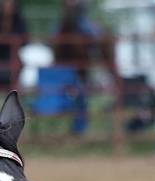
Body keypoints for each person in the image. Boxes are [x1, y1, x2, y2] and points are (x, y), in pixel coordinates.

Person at [49, 0, 119, 136]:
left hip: (80, 14)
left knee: (91, 31)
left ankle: (93, 52)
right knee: (56, 32)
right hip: (68, 15)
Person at [0, 0, 29, 116]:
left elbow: (25, 40)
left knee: (13, 88)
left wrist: (9, 40)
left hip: (11, 62)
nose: (7, 7)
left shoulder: (19, 22)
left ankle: (12, 115)